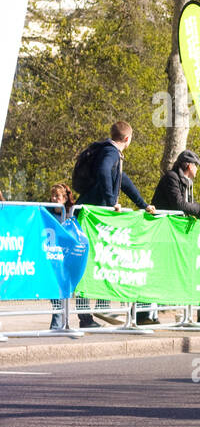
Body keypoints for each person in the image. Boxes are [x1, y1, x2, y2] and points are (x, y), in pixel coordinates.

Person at [72, 120, 151, 327]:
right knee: (88, 265)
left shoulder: (107, 152)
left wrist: (142, 205)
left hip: (91, 214)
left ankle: (97, 310)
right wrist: (110, 202)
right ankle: (86, 317)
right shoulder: (111, 153)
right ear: (127, 139)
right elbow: (104, 171)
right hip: (92, 216)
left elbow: (122, 180)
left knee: (98, 262)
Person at [152, 150, 200, 219]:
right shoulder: (171, 177)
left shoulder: (187, 181)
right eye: (196, 165)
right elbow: (179, 204)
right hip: (162, 225)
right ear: (190, 166)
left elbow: (190, 204)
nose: (197, 169)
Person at [46, 183, 75, 330]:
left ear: (64, 198)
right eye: (53, 196)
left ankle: (61, 325)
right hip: (51, 260)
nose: (55, 199)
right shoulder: (46, 213)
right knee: (56, 296)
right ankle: (57, 326)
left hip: (65, 261)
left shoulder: (70, 215)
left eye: (58, 196)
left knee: (64, 296)